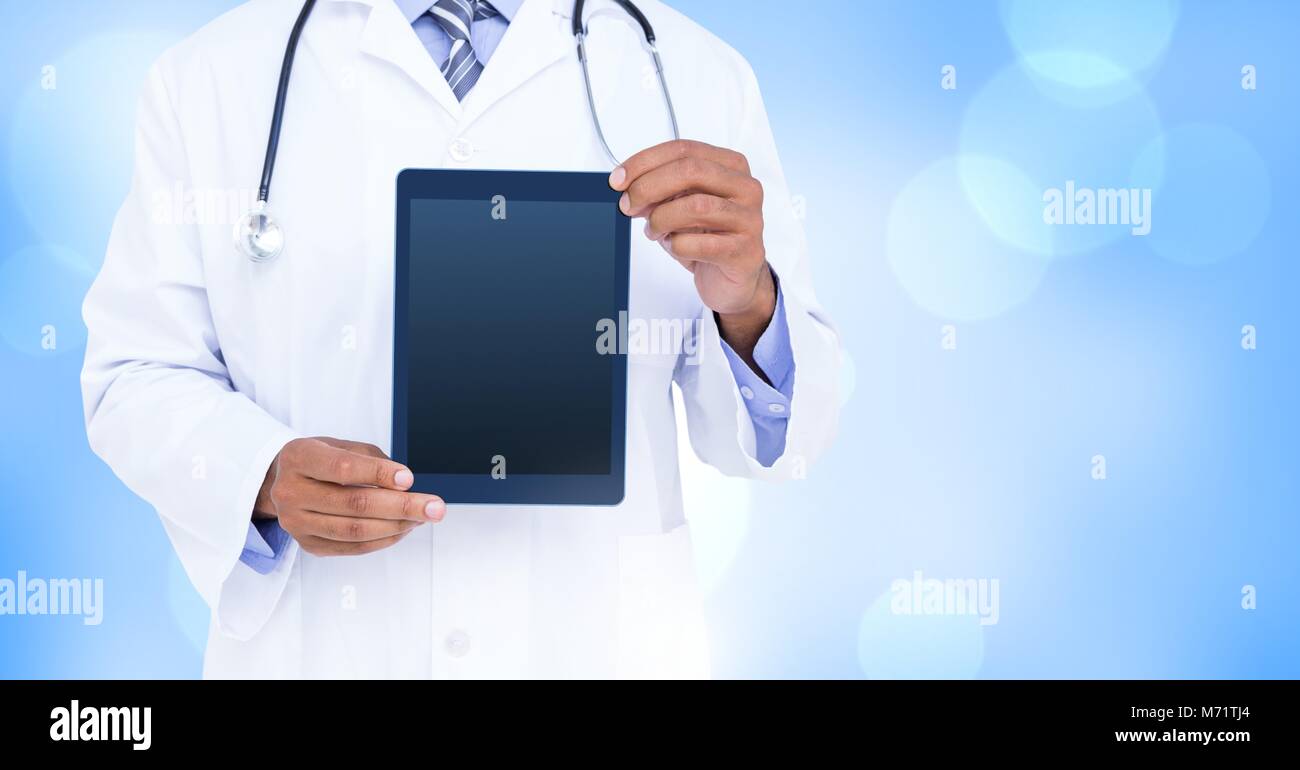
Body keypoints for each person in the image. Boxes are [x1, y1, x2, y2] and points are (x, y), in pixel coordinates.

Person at [81, 0, 840, 678]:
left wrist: (749, 305)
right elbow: (134, 373)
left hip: (594, 647)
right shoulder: (213, 77)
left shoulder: (687, 73)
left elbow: (784, 441)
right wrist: (264, 478)